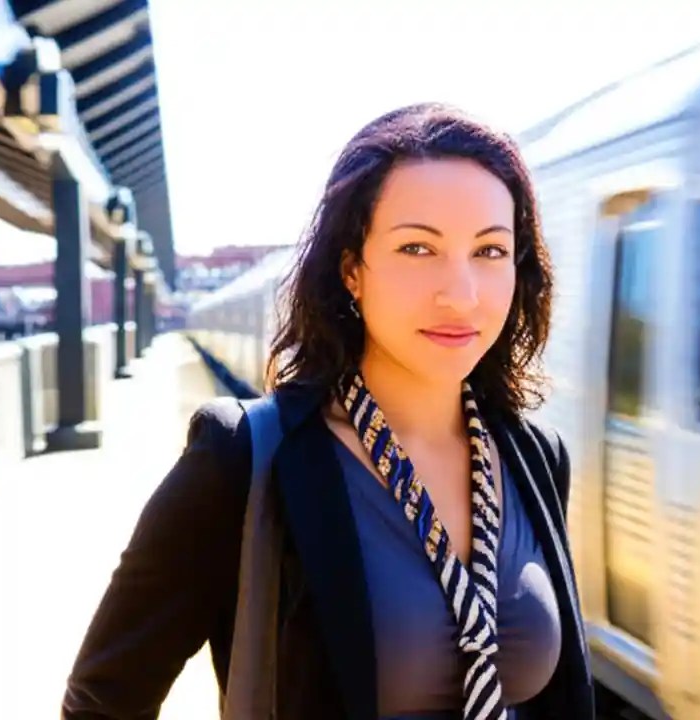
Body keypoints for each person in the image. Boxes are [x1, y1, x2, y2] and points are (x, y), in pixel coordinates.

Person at [62, 103, 596, 720]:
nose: (462, 293)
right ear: (351, 270)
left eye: (490, 251)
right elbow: (102, 701)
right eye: (418, 248)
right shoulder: (244, 458)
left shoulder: (533, 457)